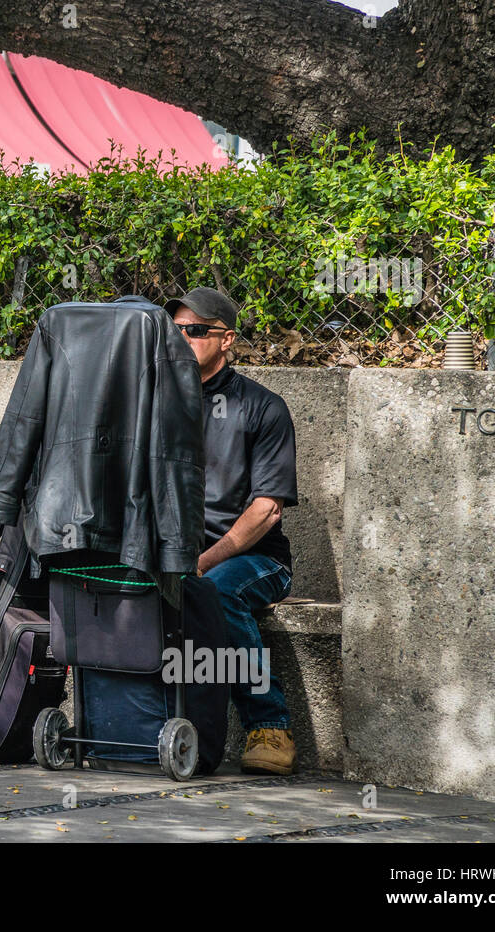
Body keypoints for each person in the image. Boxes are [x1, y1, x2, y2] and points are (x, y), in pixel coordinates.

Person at [164, 287, 300, 775]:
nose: (182, 339)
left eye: (195, 331)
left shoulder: (263, 408)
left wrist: (203, 560)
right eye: (175, 330)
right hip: (173, 550)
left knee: (216, 591)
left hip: (254, 560)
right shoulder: (155, 404)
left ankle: (271, 726)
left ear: (227, 340)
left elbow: (267, 510)